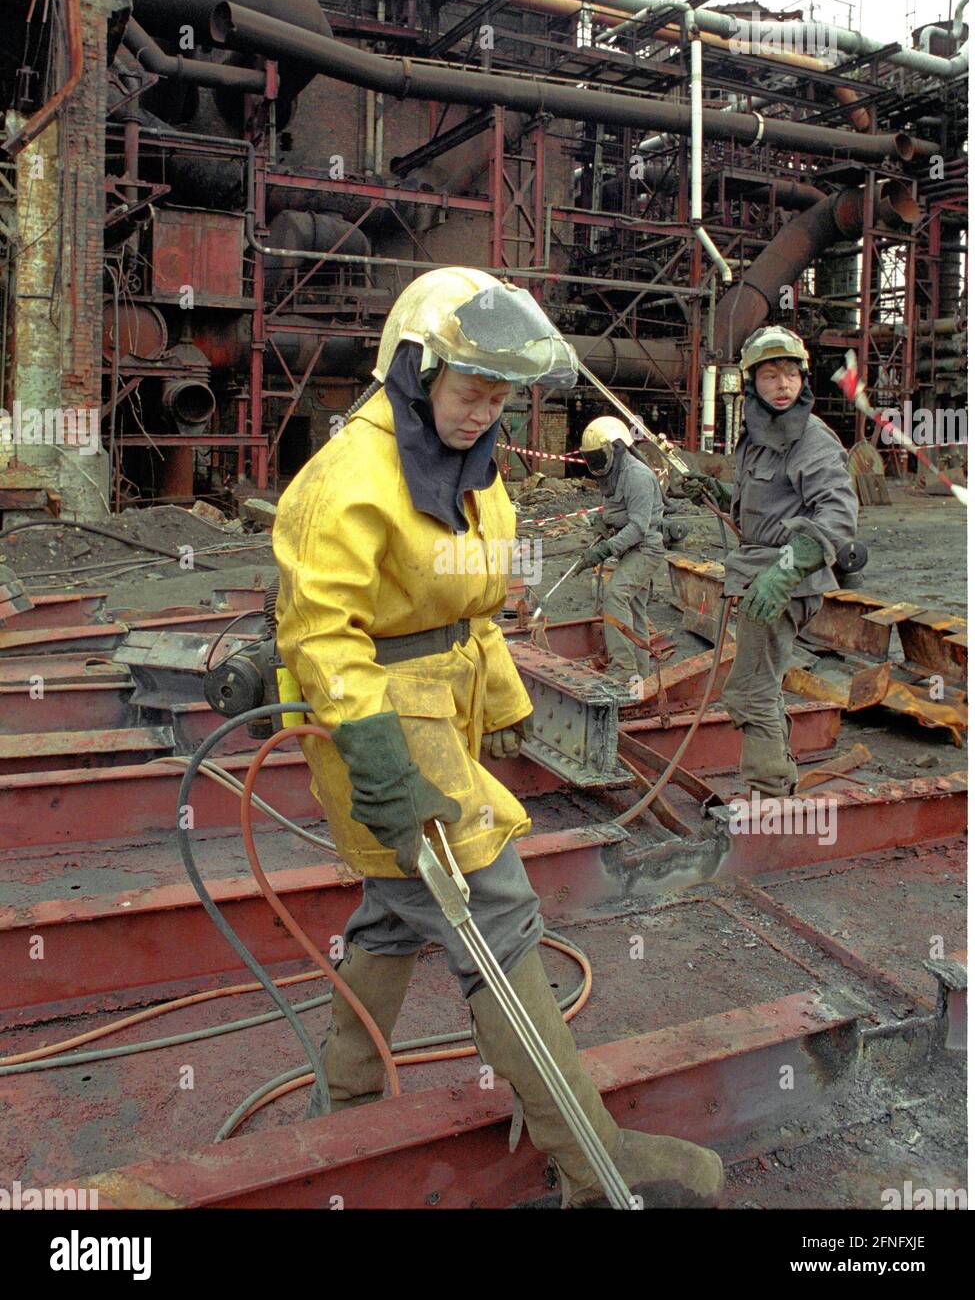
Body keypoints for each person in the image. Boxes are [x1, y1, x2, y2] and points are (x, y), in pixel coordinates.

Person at [273, 267, 724, 1208]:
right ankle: (594, 1164)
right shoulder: (349, 478)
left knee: (396, 911)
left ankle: (341, 1108)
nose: (485, 412)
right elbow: (318, 634)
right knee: (498, 919)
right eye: (471, 390)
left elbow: (472, 618)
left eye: (499, 396)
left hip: (445, 713)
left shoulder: (464, 471)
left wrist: (511, 704)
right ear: (413, 369)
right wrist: (381, 761)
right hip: (385, 730)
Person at [683, 326, 859, 797]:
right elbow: (765, 504)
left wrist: (782, 574)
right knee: (761, 683)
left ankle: (769, 796)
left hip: (786, 580)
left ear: (803, 380)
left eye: (790, 374)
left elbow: (839, 517)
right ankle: (779, 779)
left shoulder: (811, 440)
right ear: (751, 384)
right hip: (757, 571)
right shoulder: (760, 435)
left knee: (749, 690)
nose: (782, 385)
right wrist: (716, 492)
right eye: (769, 375)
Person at [573, 417, 666, 685]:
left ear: (616, 448)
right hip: (630, 549)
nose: (595, 464)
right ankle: (640, 681)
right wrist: (605, 524)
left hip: (646, 548)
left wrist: (604, 549)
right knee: (635, 612)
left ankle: (625, 669)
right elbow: (618, 513)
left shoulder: (637, 475)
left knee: (615, 596)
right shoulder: (612, 474)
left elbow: (638, 527)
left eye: (598, 456)